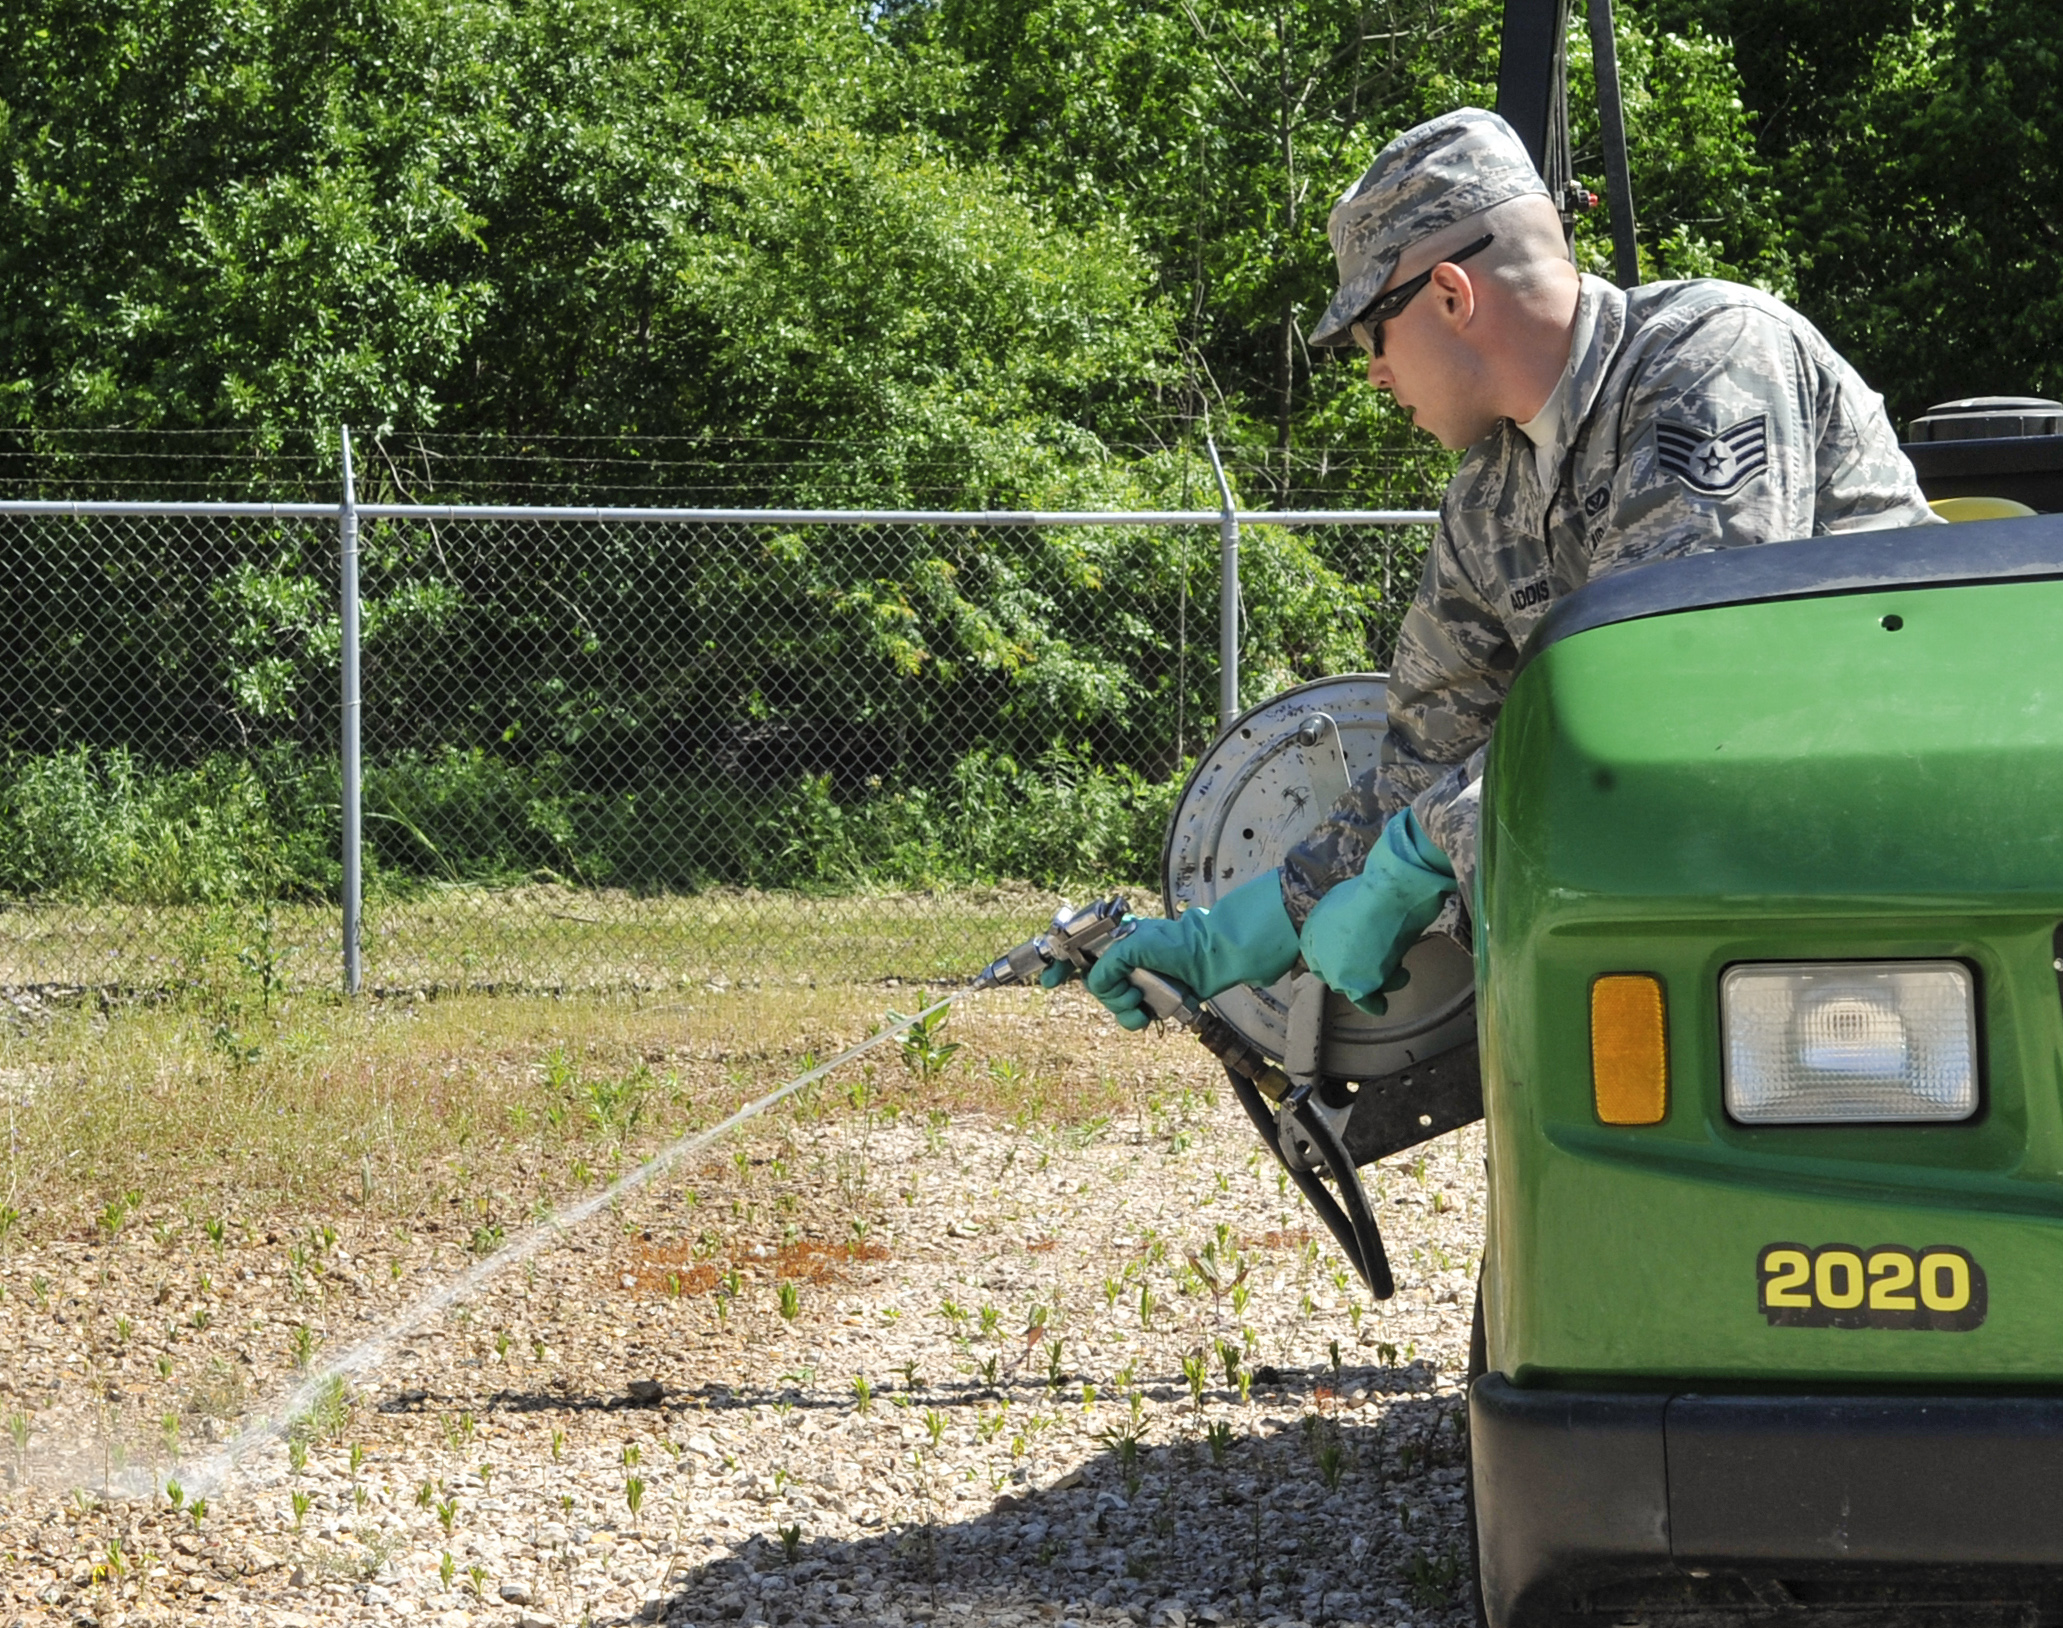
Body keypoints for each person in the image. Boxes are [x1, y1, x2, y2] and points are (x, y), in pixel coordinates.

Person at [1064, 106, 1937, 1029]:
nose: (1372, 375)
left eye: (1371, 337)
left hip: (1892, 867)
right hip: (1721, 903)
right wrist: (1231, 937)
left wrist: (1417, 853)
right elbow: (1423, 761)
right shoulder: (1490, 494)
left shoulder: (1708, 357)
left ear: (1449, 294)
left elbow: (1679, 700)